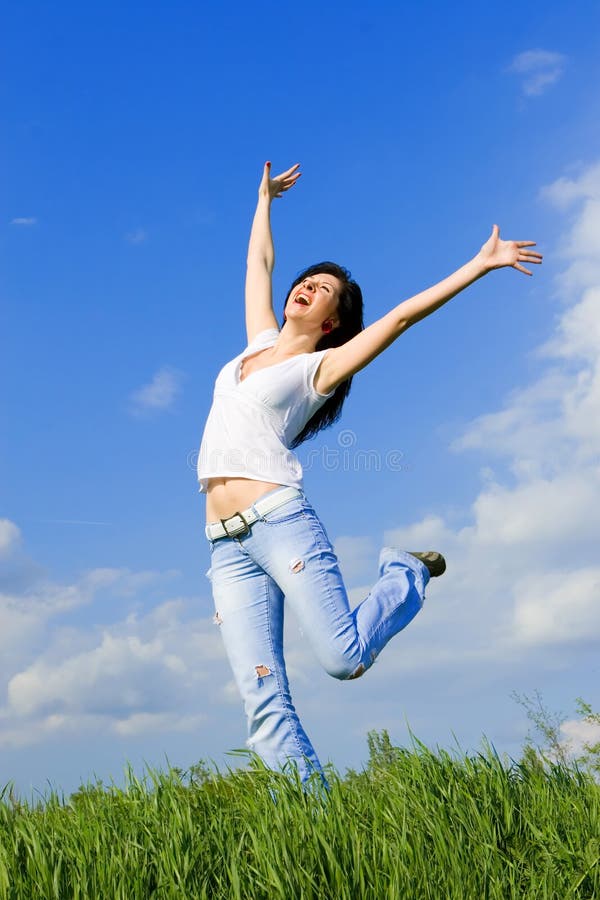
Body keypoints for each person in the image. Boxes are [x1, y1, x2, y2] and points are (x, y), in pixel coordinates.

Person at [197, 161, 542, 787]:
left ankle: (404, 572)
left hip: (279, 522)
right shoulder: (253, 346)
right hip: (224, 548)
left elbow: (403, 317)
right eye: (307, 280)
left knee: (342, 659)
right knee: (260, 699)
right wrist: (263, 202)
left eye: (323, 288)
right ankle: (312, 827)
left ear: (332, 321)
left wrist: (480, 263)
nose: (307, 286)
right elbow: (260, 266)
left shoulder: (318, 371)